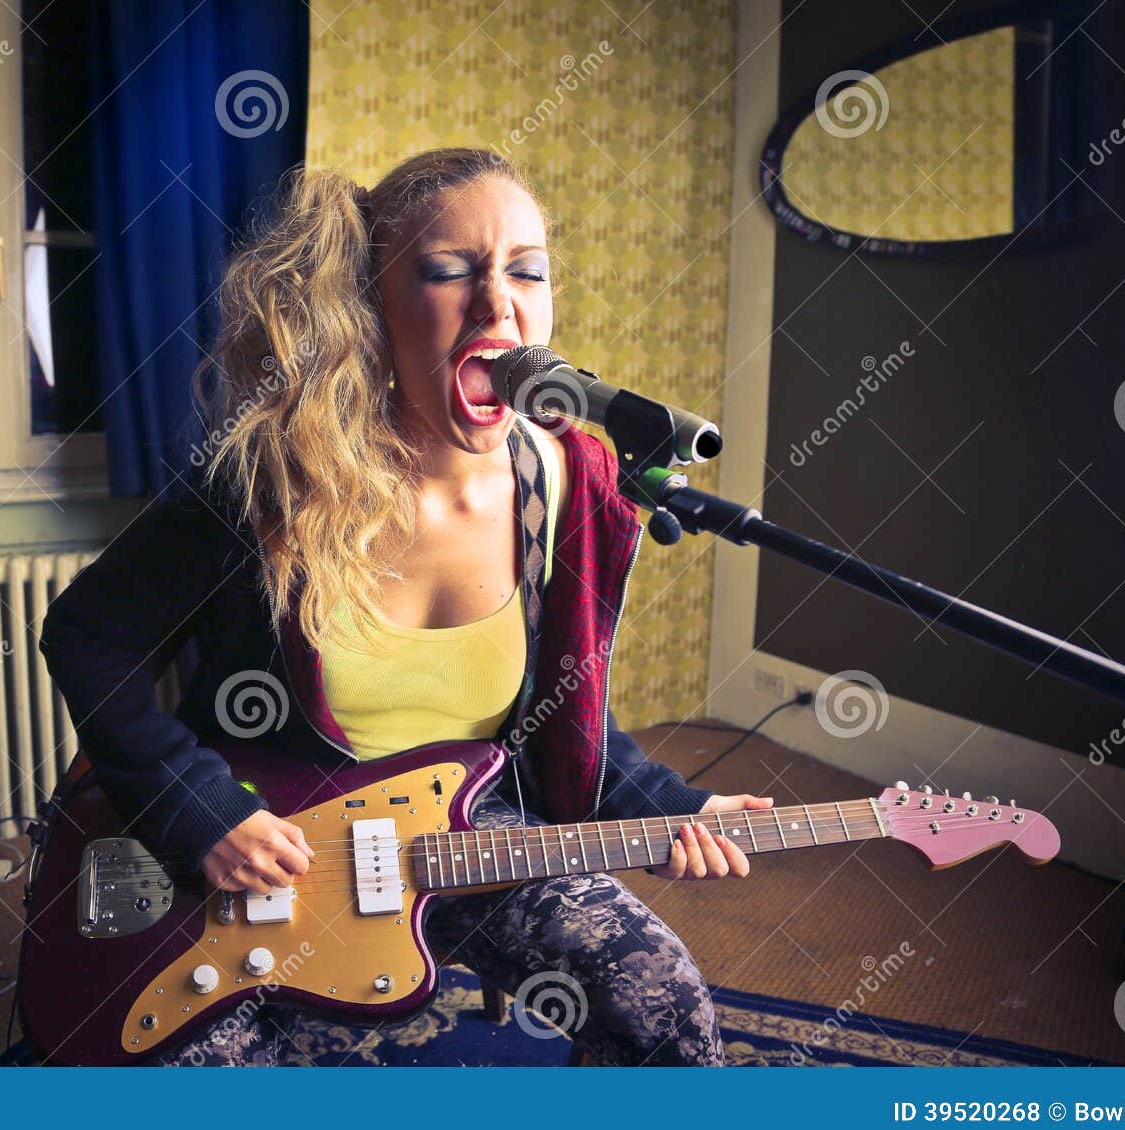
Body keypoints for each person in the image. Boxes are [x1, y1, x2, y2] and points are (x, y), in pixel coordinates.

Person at [39, 147, 775, 1066]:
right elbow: (85, 633)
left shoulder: (566, 480)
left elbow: (566, 712)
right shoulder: (270, 480)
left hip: (464, 830)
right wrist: (198, 808)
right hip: (267, 848)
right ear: (373, 308)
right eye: (448, 271)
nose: (498, 304)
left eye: (527, 272)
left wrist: (673, 804)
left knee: (663, 1003)